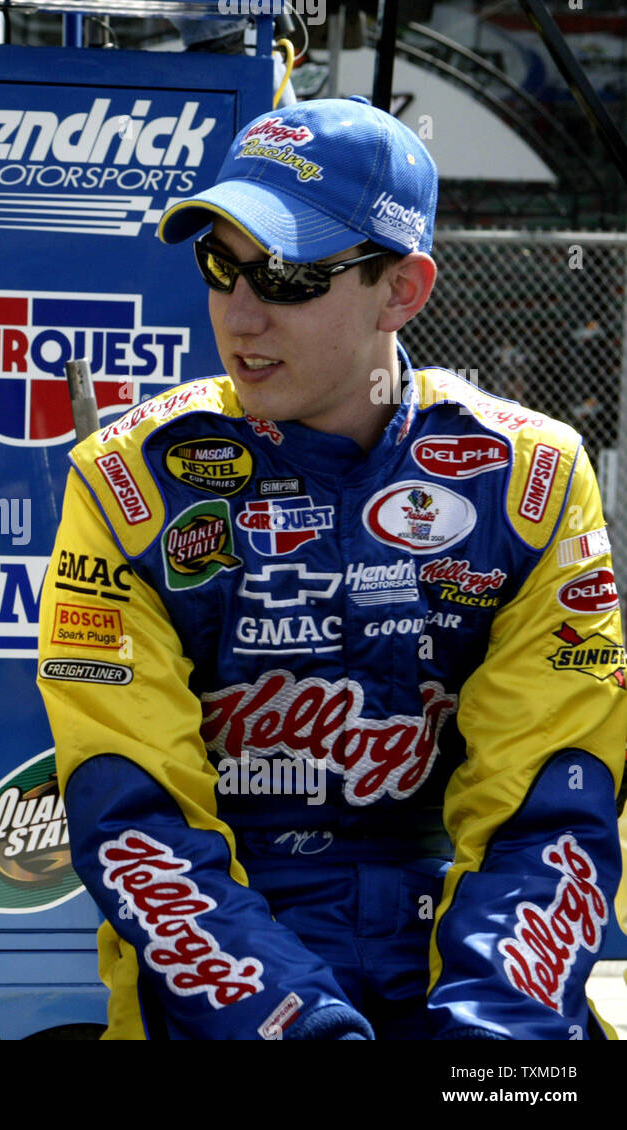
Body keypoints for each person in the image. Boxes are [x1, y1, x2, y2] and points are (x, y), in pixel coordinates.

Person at [37, 96, 625, 1040]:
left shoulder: (533, 479)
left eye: (288, 276)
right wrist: (294, 1026)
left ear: (404, 289)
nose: (241, 311)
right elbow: (137, 820)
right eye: (220, 264)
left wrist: (488, 1043)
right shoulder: (129, 483)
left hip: (470, 965)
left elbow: (548, 813)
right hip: (227, 983)